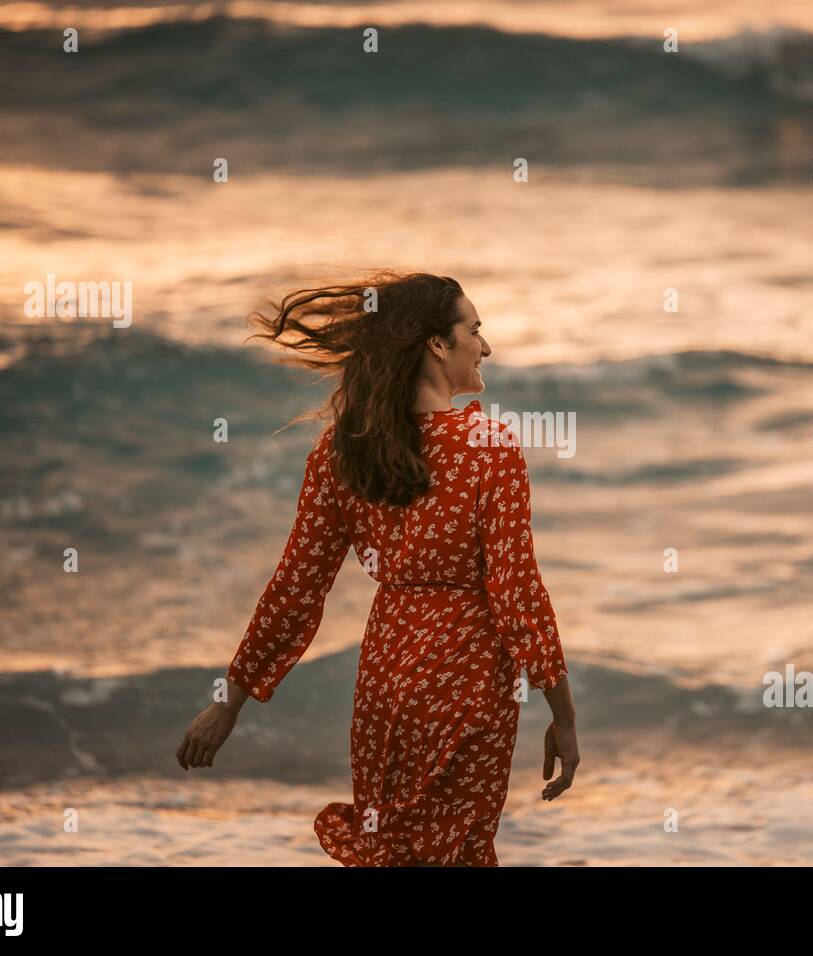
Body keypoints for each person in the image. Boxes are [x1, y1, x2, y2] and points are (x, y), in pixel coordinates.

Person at [175, 271, 579, 866]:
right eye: (475, 330)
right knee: (458, 850)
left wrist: (229, 701)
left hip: (384, 682)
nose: (486, 347)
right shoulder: (491, 447)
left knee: (393, 847)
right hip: (466, 680)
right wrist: (564, 715)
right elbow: (517, 593)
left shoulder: (344, 451)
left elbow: (296, 587)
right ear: (437, 345)